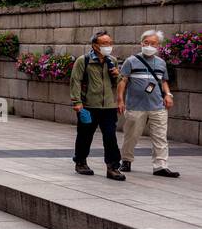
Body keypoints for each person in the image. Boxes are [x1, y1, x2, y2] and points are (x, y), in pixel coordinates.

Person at [118, 30, 180, 178]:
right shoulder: (131, 61)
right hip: (135, 106)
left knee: (160, 137)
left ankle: (160, 166)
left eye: (153, 43)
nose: (149, 45)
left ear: (158, 46)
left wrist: (168, 94)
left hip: (157, 106)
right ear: (141, 43)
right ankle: (126, 160)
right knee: (131, 135)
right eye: (146, 42)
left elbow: (163, 81)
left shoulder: (161, 63)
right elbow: (123, 80)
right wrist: (120, 100)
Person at [71, 30, 124, 180]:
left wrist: (116, 75)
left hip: (108, 106)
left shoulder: (111, 60)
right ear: (95, 46)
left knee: (110, 137)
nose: (108, 46)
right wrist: (77, 102)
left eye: (110, 43)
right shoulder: (84, 60)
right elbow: (75, 81)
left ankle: (113, 167)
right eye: (104, 44)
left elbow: (117, 82)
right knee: (85, 135)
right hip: (88, 106)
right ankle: (80, 162)